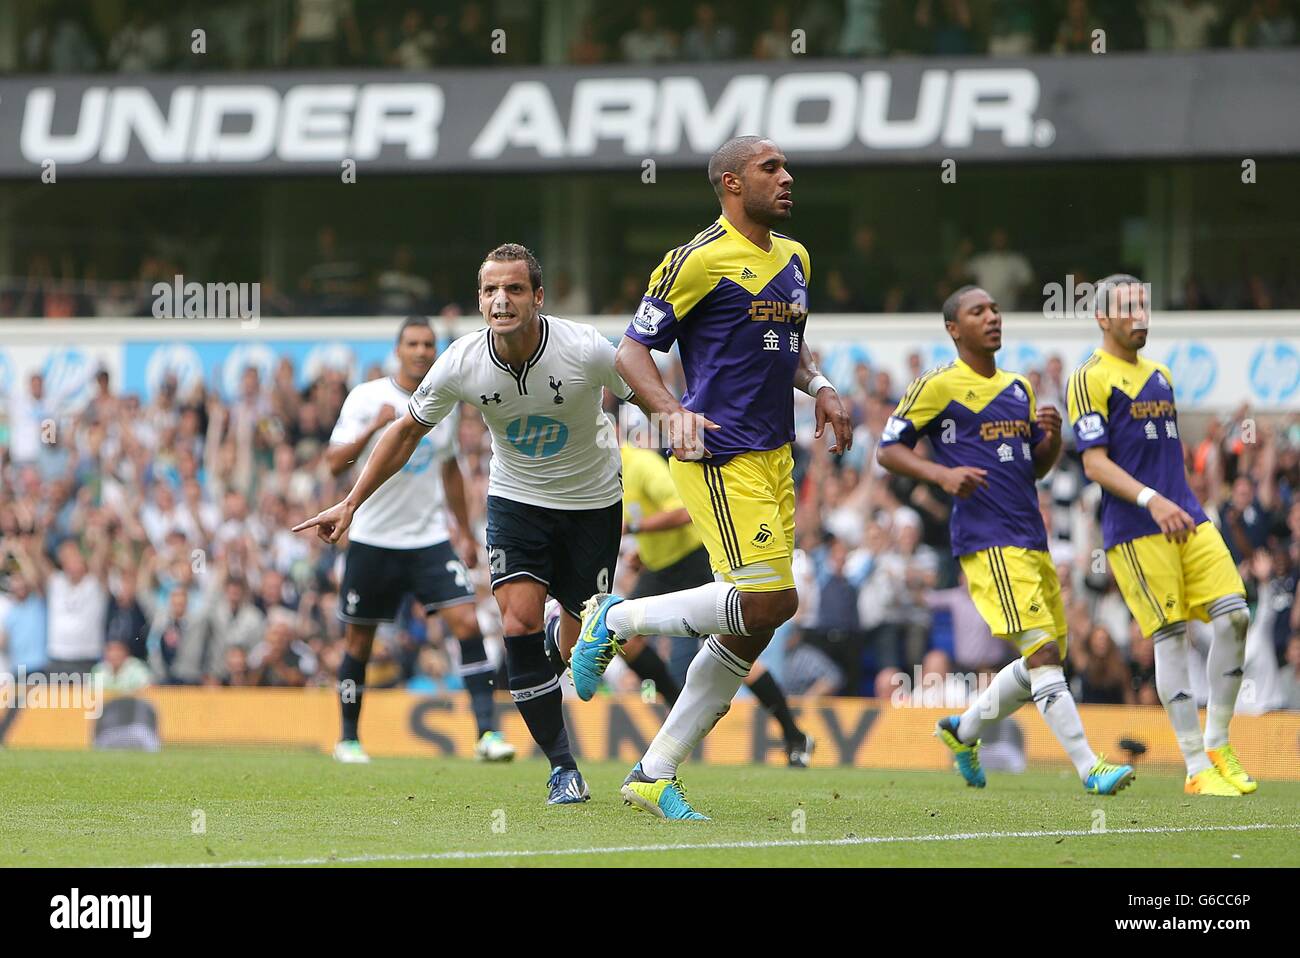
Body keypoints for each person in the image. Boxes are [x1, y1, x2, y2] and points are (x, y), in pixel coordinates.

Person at [571, 135, 853, 819]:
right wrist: (670, 412)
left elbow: (786, 342)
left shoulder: (795, 257)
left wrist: (819, 385)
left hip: (777, 455)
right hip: (718, 454)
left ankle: (654, 770)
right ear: (731, 183)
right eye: (771, 169)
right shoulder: (694, 259)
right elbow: (632, 351)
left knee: (755, 624)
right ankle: (616, 616)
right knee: (767, 601)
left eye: (787, 166)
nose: (788, 178)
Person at [296, 245, 638, 806]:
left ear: (538, 297)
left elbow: (644, 392)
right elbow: (406, 434)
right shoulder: (460, 361)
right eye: (490, 291)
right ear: (479, 299)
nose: (501, 301)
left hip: (592, 503)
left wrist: (690, 441)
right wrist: (351, 503)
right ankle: (561, 768)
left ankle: (565, 635)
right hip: (517, 501)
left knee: (577, 653)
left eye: (515, 289)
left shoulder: (584, 348)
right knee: (516, 621)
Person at [877, 285, 1134, 795]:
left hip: (1031, 537)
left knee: (1046, 656)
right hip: (986, 538)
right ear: (954, 329)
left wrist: (1052, 440)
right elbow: (888, 450)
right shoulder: (938, 384)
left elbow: (1033, 468)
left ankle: (963, 730)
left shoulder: (1019, 388)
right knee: (1041, 654)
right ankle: (1090, 768)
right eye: (978, 312)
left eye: (994, 309)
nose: (992, 317)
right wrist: (940, 476)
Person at [1067, 274, 1255, 796]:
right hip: (1135, 528)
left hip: (1187, 517)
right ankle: (1196, 768)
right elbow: (1095, 464)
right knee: (1171, 635)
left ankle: (1218, 743)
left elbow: (1166, 457)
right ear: (1103, 318)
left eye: (1144, 306)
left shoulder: (1162, 375)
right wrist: (1152, 499)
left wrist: (1184, 499)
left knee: (1236, 615)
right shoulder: (1090, 376)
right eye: (1128, 308)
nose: (1141, 316)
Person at [555, 409, 815, 766]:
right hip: (661, 566)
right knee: (628, 643)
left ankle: (793, 734)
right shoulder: (603, 473)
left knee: (740, 640)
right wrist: (644, 553)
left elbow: (682, 512)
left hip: (694, 558)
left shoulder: (641, 464)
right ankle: (677, 711)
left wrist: (636, 530)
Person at [322, 316, 513, 764]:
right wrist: (373, 429)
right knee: (359, 642)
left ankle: (486, 735)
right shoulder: (367, 398)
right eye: (414, 344)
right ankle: (348, 738)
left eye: (429, 344)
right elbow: (333, 463)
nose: (423, 351)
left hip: (428, 539)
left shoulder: (440, 400)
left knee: (467, 625)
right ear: (398, 350)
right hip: (372, 538)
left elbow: (449, 470)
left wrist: (464, 532)